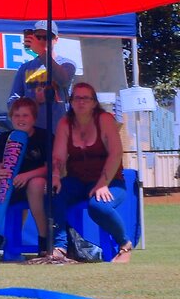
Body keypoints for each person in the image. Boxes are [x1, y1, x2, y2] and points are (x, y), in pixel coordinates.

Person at [51, 83, 133, 263]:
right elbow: (58, 156)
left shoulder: (105, 119)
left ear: (95, 102)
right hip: (77, 180)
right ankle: (60, 247)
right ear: (71, 102)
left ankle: (125, 244)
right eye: (77, 98)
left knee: (98, 207)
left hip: (111, 181)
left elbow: (116, 153)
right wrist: (55, 176)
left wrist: (102, 184)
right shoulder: (65, 122)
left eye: (86, 98)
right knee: (53, 194)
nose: (81, 102)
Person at [0, 97, 49, 258]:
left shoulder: (44, 137)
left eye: (25, 115)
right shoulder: (4, 138)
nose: (21, 119)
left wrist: (27, 176)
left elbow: (50, 168)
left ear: (34, 118)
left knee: (36, 184)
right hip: (7, 188)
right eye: (16, 115)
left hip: (36, 189)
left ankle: (44, 240)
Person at [8, 21, 75, 131]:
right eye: (38, 37)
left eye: (48, 37)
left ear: (56, 39)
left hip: (58, 132)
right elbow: (12, 101)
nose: (43, 41)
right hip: (31, 132)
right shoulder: (25, 68)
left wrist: (42, 52)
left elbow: (63, 79)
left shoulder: (67, 64)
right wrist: (34, 102)